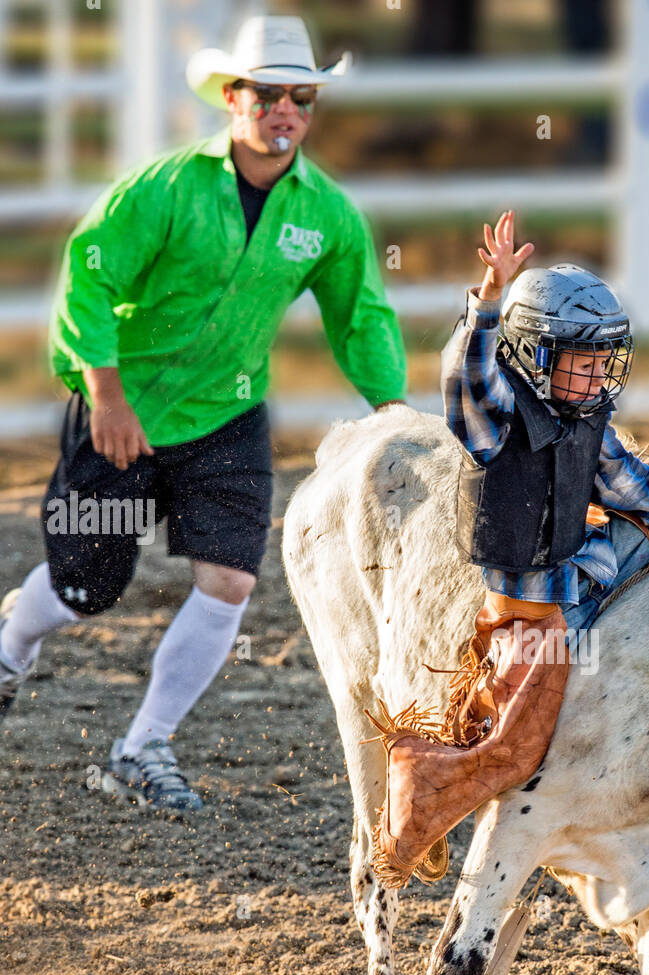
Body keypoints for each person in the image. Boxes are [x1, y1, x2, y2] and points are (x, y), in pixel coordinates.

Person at [0, 16, 407, 812]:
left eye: (302, 96)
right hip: (124, 409)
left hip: (228, 416)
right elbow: (88, 276)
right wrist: (108, 397)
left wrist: (391, 405)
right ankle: (12, 639)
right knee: (87, 587)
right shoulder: (165, 189)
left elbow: (359, 314)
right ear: (233, 98)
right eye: (269, 93)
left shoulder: (325, 214)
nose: (285, 110)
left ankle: (142, 746)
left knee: (228, 580)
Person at [366, 211, 649, 888]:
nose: (600, 375)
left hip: (579, 574)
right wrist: (486, 299)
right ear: (535, 355)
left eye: (606, 360)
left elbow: (629, 483)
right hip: (530, 615)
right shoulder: (494, 421)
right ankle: (414, 790)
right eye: (585, 360)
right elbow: (464, 377)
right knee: (514, 750)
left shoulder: (587, 417)